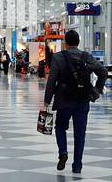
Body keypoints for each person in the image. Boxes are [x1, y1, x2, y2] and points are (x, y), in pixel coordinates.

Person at [42, 30, 105, 174]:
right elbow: (102, 71)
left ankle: (63, 152)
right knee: (80, 132)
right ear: (78, 42)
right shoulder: (86, 56)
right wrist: (97, 90)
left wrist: (47, 101)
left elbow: (51, 81)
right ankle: (77, 165)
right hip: (82, 100)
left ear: (65, 42)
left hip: (64, 99)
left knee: (60, 127)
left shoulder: (58, 57)